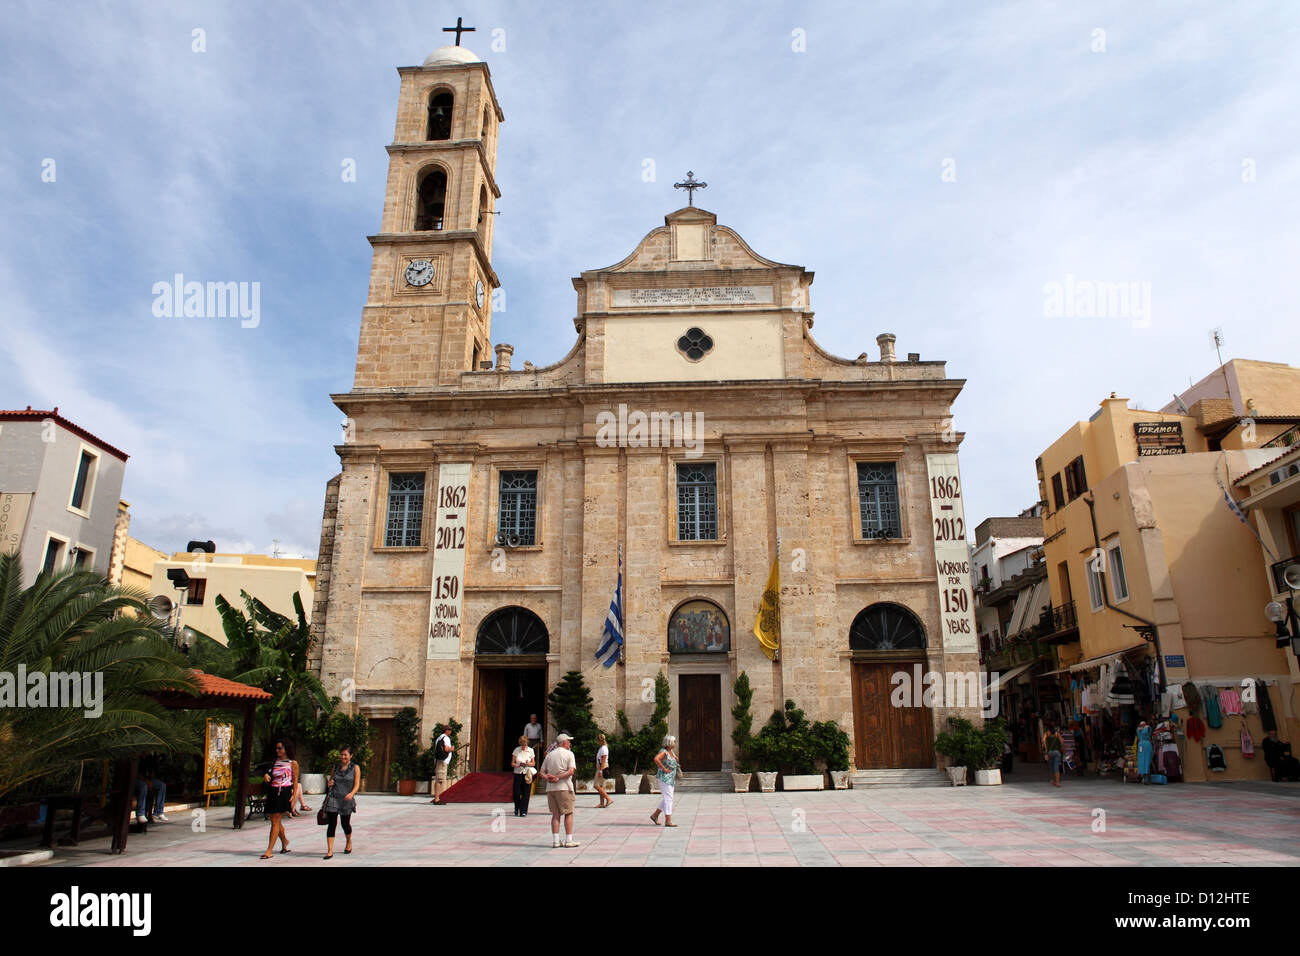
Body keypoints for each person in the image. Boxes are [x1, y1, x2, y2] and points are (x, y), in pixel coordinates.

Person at [540, 732, 579, 848]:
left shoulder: (549, 755)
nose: (570, 743)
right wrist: (558, 777)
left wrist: (547, 777)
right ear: (564, 742)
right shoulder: (569, 754)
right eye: (569, 741)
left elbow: (541, 772)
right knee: (568, 813)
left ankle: (556, 841)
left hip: (551, 789)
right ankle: (568, 840)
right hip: (564, 787)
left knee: (555, 814)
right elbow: (571, 771)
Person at [322, 745, 360, 859]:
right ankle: (329, 851)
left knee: (345, 824)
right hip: (334, 797)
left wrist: (351, 794)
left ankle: (348, 842)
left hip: (346, 799)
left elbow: (357, 784)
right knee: (332, 824)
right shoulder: (336, 766)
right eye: (341, 754)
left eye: (345, 755)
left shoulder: (355, 768)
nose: (343, 757)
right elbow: (331, 780)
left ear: (351, 756)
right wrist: (330, 783)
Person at [260, 739, 294, 859]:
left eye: (280, 748)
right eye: (277, 748)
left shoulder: (292, 763)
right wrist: (266, 776)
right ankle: (284, 841)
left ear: (286, 749)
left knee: (275, 820)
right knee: (275, 820)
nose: (277, 750)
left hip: (283, 792)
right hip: (273, 791)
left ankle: (269, 850)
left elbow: (295, 781)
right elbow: (270, 774)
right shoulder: (275, 761)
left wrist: (294, 797)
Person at [650, 735, 679, 826]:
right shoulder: (664, 752)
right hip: (665, 778)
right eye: (674, 741)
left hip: (670, 778)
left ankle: (655, 815)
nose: (675, 743)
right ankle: (668, 820)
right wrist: (663, 769)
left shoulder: (671, 752)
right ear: (669, 742)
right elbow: (656, 759)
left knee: (668, 798)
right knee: (668, 798)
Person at [134, 755, 168, 824]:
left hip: (147, 780)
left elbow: (152, 771)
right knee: (143, 786)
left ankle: (158, 811)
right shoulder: (136, 758)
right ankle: (140, 813)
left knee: (162, 785)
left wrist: (151, 781)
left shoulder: (149, 758)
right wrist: (146, 781)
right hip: (136, 780)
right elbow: (135, 773)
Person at [511, 734, 535, 816]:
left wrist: (529, 763)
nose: (523, 747)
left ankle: (523, 811)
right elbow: (512, 763)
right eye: (522, 745)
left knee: (526, 793)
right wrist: (517, 765)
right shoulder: (516, 750)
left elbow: (533, 763)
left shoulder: (531, 750)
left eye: (525, 745)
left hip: (527, 773)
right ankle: (517, 807)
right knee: (516, 792)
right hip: (518, 773)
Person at [429, 724, 453, 805]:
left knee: (439, 779)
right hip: (442, 761)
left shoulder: (439, 737)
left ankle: (437, 798)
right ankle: (437, 799)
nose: (450, 731)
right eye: (449, 730)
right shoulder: (446, 738)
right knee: (440, 780)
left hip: (439, 761)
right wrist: (451, 749)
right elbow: (446, 749)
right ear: (446, 730)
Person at [594, 733, 613, 809]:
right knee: (601, 785)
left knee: (596, 785)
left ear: (599, 740)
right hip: (600, 766)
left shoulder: (603, 749)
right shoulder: (602, 748)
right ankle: (602, 803)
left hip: (602, 767)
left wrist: (601, 771)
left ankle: (608, 798)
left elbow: (603, 760)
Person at [1135, 720, 1153, 784]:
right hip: (1146, 745)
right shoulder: (1148, 728)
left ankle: (1144, 776)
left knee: (1143, 760)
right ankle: (1146, 777)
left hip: (1141, 745)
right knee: (1146, 760)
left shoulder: (1139, 729)